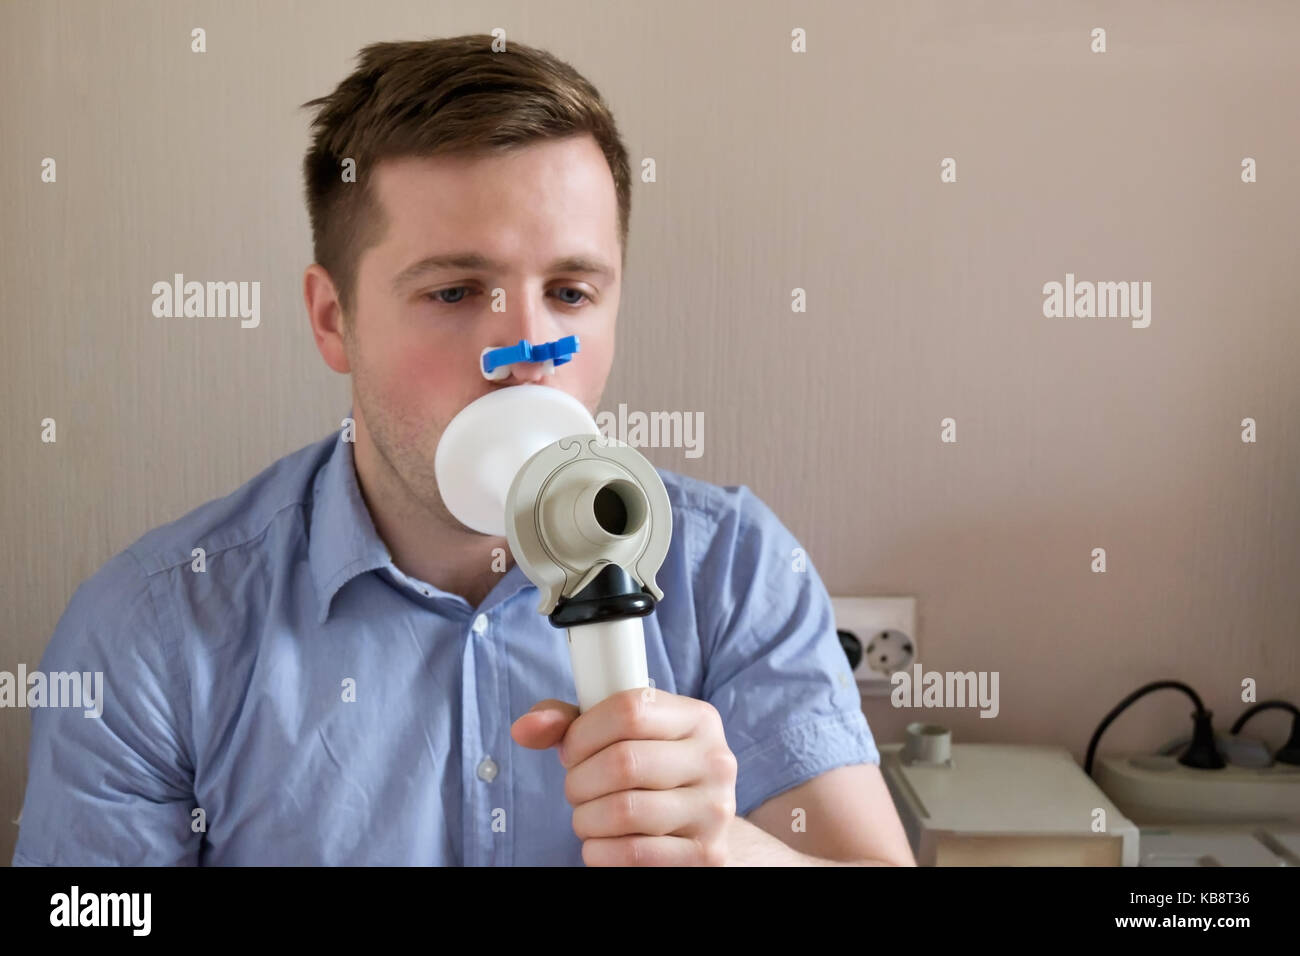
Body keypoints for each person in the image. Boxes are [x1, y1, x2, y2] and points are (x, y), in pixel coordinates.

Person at [13, 34, 914, 866]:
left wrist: (729, 851)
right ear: (335, 320)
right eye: (454, 292)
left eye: (569, 291)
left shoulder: (734, 572)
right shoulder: (152, 632)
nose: (527, 353)